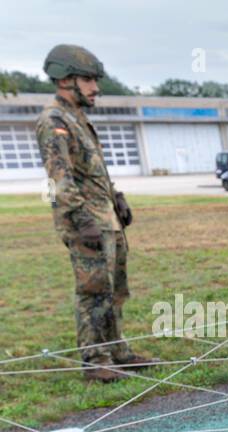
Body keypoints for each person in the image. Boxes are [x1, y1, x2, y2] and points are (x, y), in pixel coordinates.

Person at [35, 44, 156, 382]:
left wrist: (115, 196)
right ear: (65, 79)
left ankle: (119, 351)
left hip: (106, 218)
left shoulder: (78, 118)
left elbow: (91, 170)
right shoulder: (54, 120)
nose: (95, 88)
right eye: (88, 80)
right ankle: (95, 361)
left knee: (115, 289)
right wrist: (81, 219)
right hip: (85, 223)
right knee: (93, 292)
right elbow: (61, 177)